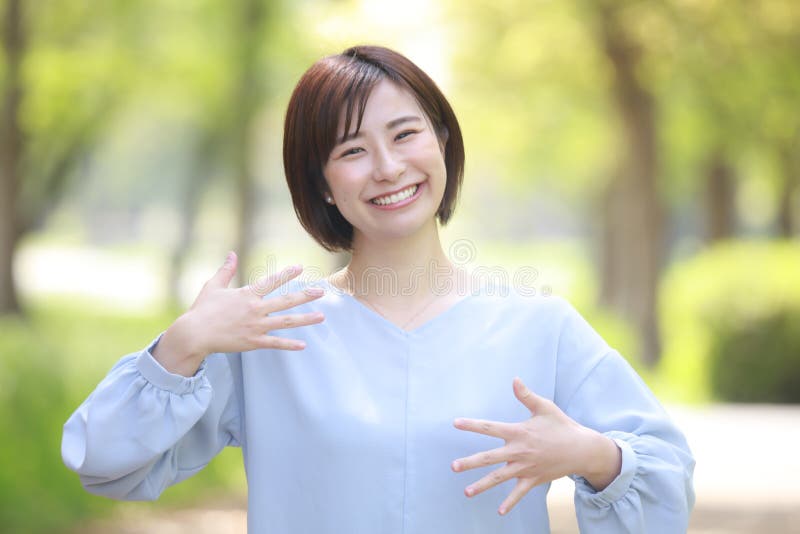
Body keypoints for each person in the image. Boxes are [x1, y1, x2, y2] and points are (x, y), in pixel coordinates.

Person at [62, 45, 695, 533]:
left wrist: (593, 454)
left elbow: (666, 486)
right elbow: (105, 464)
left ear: (442, 139)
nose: (389, 168)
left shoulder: (538, 326)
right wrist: (182, 346)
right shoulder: (271, 330)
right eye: (352, 150)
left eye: (405, 134)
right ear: (321, 184)